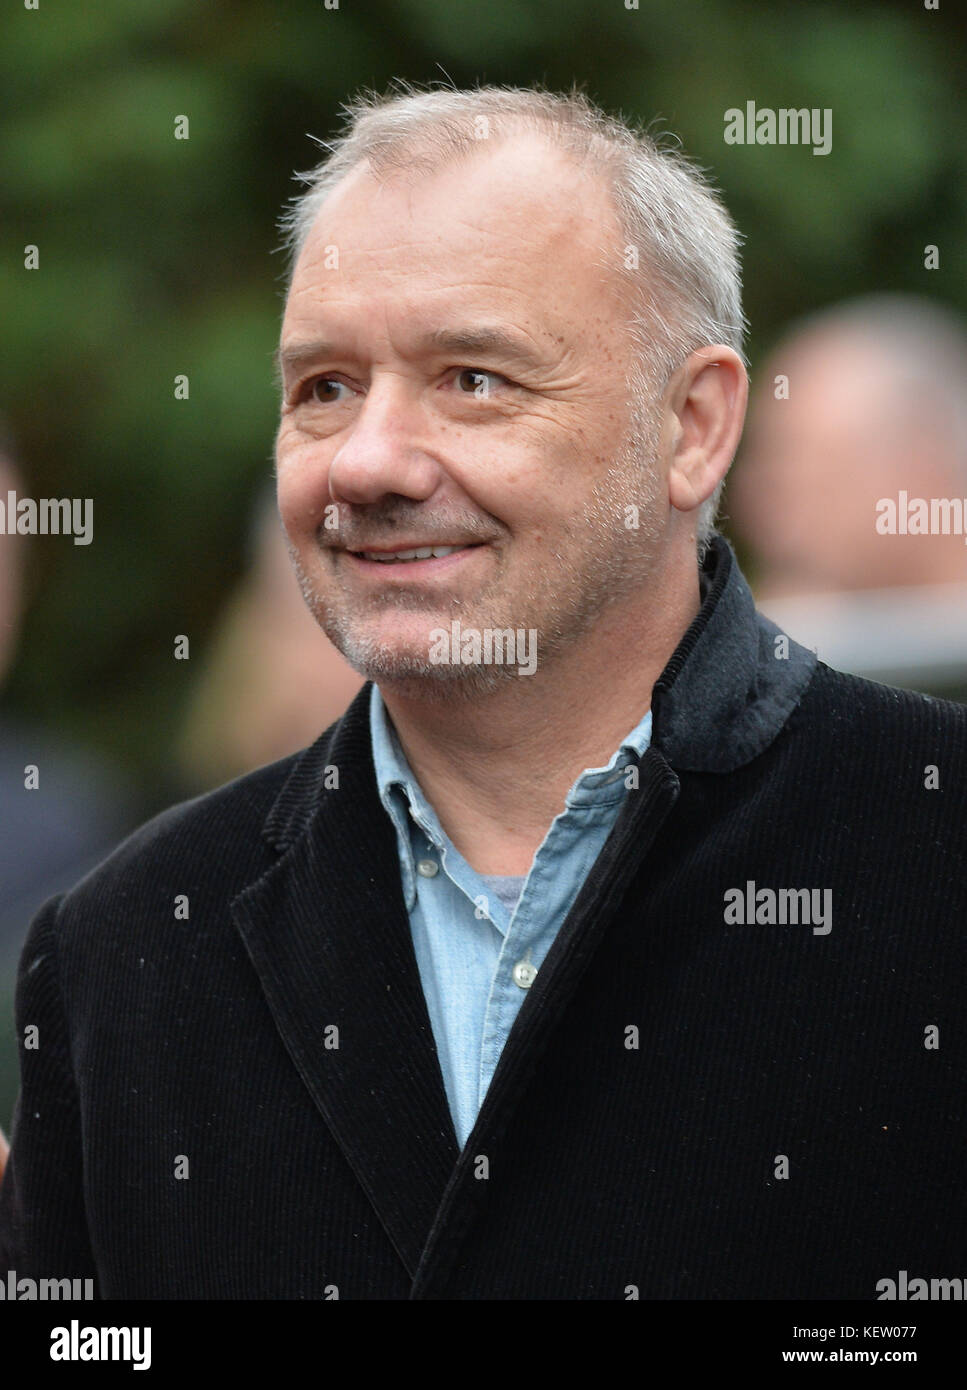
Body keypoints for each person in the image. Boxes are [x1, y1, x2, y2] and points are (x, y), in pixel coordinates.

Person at [1, 84, 964, 1301]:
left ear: (692, 426)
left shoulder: (932, 851)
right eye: (325, 388)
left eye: (472, 377)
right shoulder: (123, 951)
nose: (368, 460)